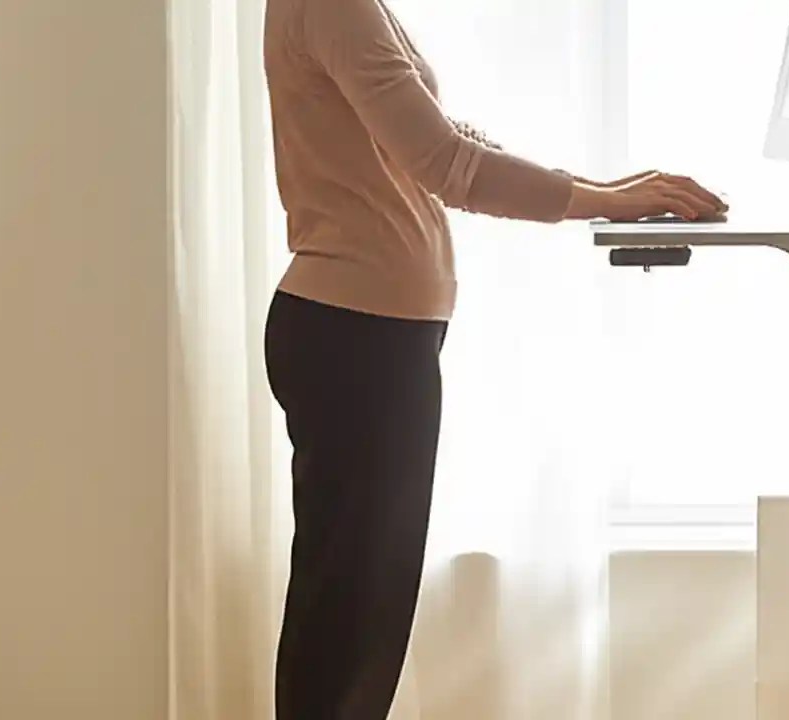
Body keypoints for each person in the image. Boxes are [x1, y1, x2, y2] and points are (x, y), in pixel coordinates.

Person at [261, 0, 727, 717]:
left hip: (369, 335)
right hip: (355, 338)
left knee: (360, 612)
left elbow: (442, 140)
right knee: (350, 618)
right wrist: (603, 201)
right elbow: (446, 165)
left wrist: (600, 190)